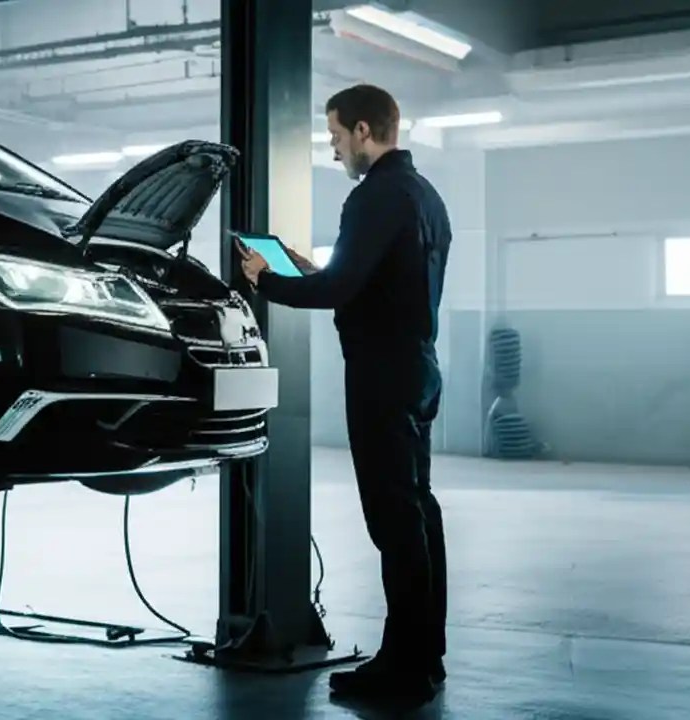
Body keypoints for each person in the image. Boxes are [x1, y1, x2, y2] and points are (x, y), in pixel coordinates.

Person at [238, 84, 451, 706]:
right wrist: (312, 269)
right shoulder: (425, 196)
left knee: (394, 522)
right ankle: (425, 656)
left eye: (334, 136)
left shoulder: (373, 196)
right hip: (418, 369)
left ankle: (403, 669)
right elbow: (362, 280)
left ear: (362, 131)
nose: (333, 150)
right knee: (418, 512)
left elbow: (339, 291)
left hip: (381, 376)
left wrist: (267, 280)